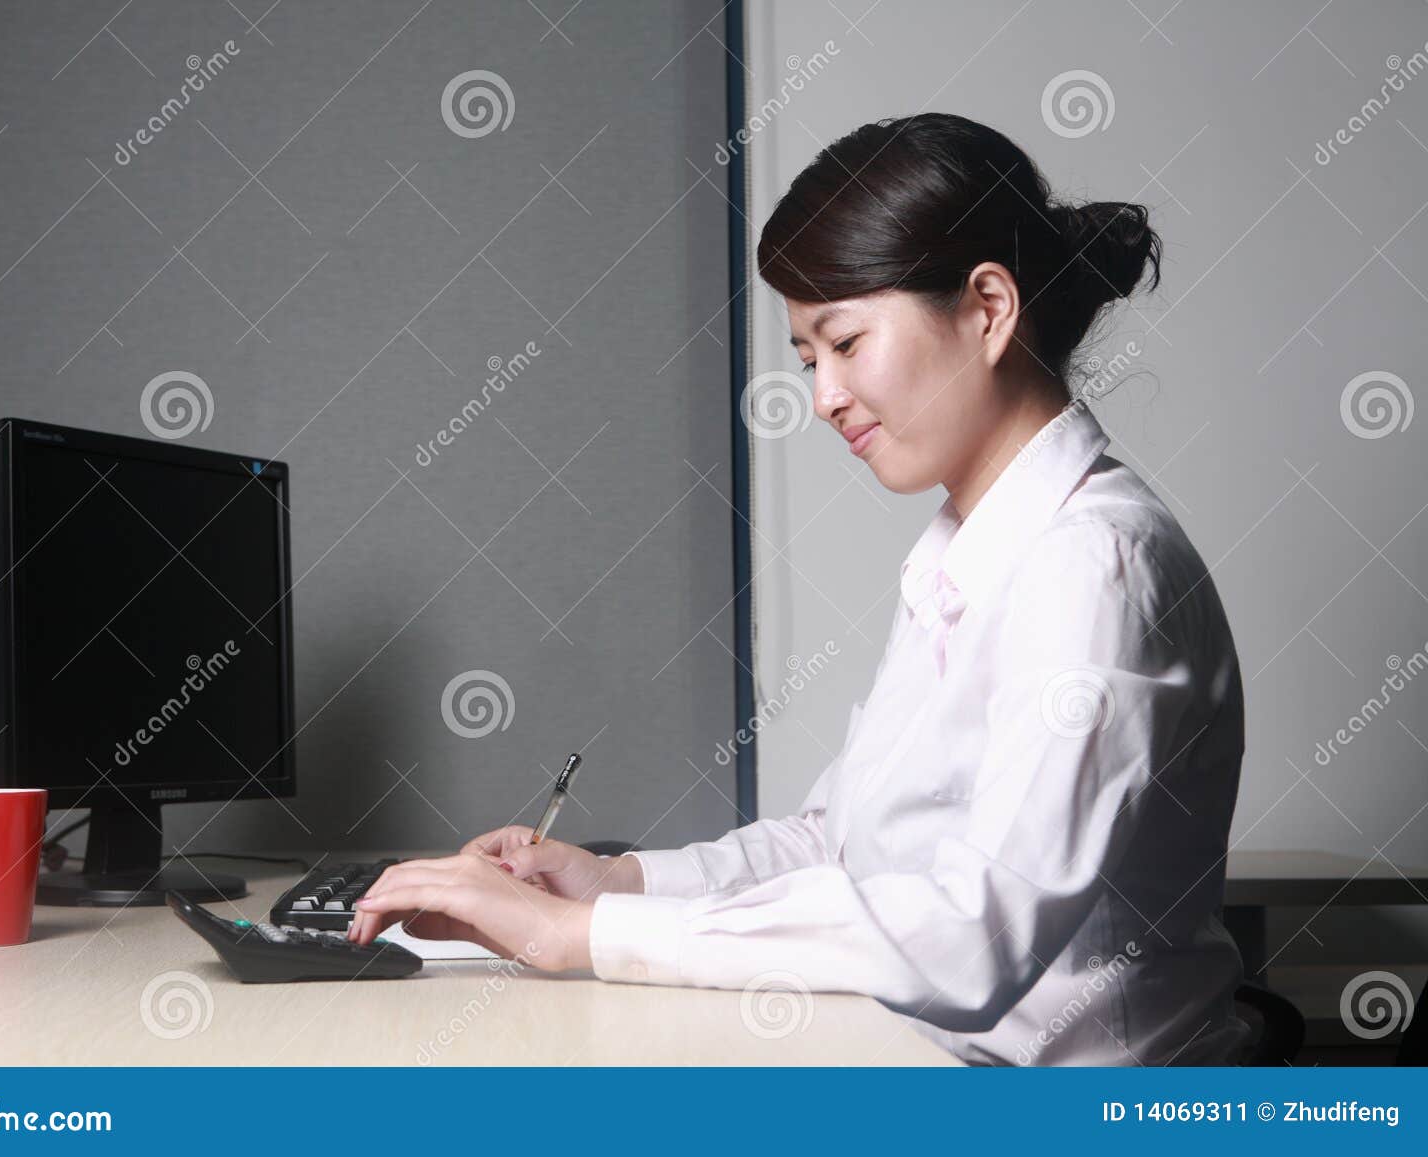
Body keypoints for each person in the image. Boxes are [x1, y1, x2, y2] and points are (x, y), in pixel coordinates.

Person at [347, 112, 1251, 1067]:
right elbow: (840, 845)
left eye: (845, 342)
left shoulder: (1090, 564)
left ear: (987, 308)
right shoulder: (973, 548)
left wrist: (581, 940)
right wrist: (610, 884)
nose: (821, 397)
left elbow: (976, 931)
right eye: (808, 359)